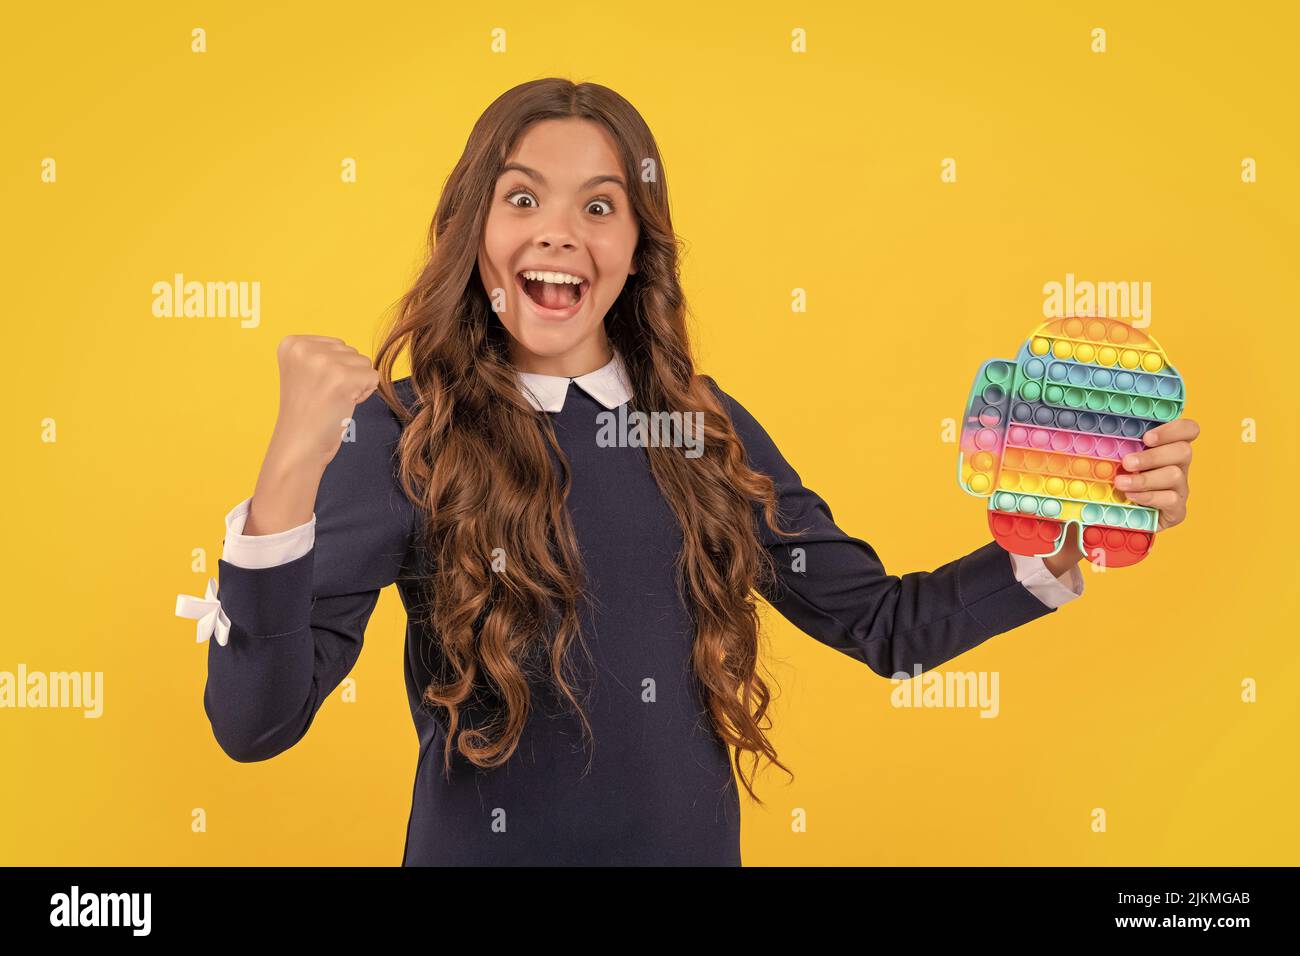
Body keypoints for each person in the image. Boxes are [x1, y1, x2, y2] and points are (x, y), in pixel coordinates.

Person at [175, 77, 1199, 866]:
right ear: (475, 231)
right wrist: (287, 472)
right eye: (522, 195)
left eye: (600, 205)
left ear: (636, 245)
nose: (559, 232)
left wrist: (1062, 532)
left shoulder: (705, 432)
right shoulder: (405, 434)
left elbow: (886, 627)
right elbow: (255, 723)